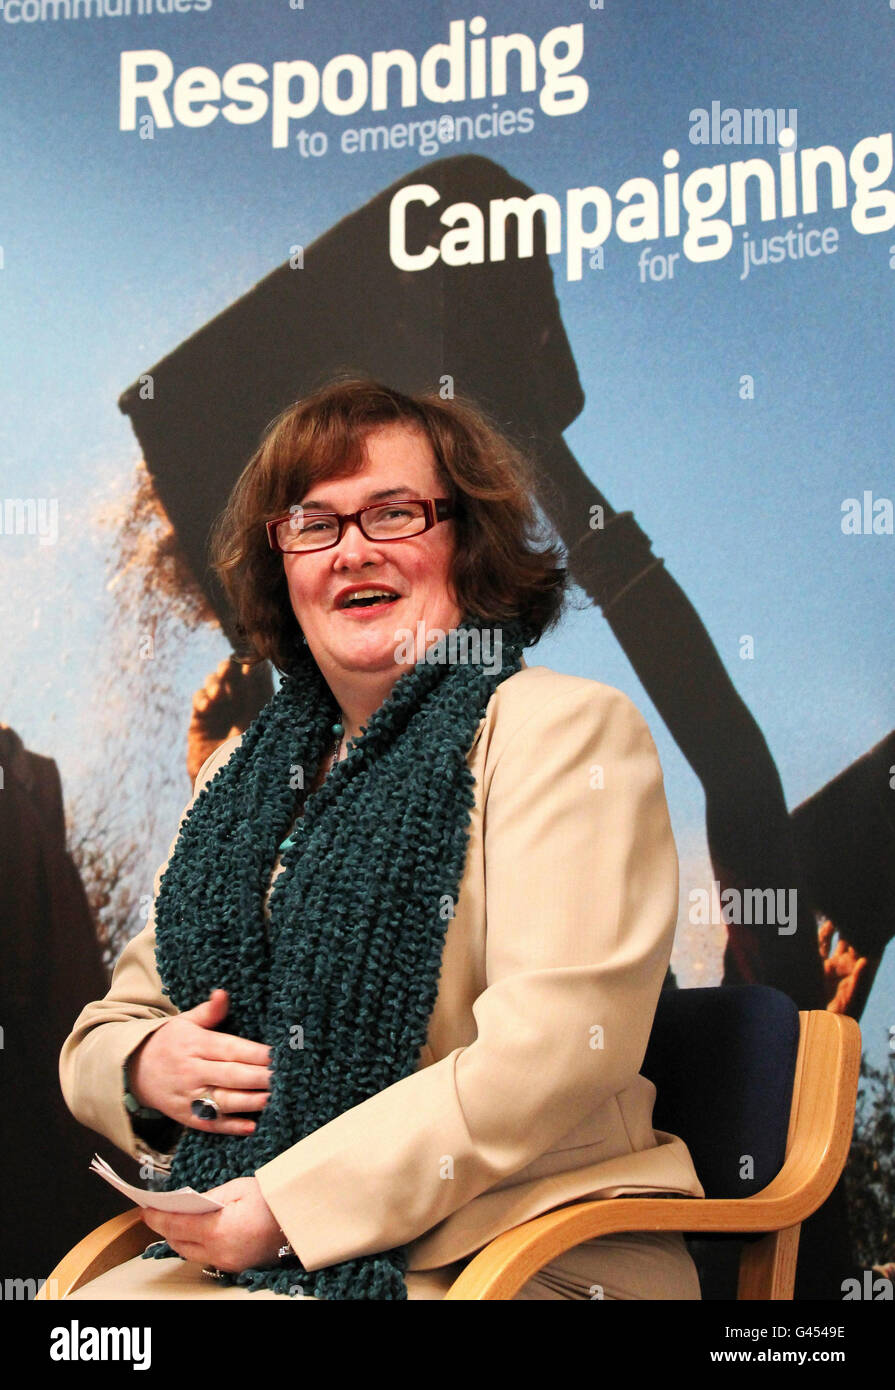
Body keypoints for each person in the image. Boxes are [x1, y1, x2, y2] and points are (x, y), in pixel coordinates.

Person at [58, 377, 703, 1300]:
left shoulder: (566, 732)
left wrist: (287, 1208)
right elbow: (106, 1031)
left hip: (527, 1251)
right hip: (249, 1242)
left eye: (393, 514)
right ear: (282, 563)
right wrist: (145, 1066)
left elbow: (557, 1050)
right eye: (314, 524)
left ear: (466, 543)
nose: (351, 551)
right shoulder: (242, 776)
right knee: (86, 1323)